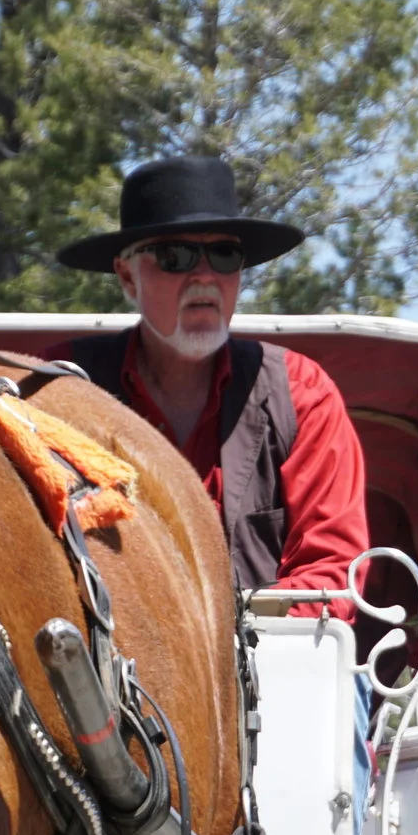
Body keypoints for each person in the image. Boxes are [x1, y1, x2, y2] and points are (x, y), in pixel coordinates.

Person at [55, 155, 370, 611]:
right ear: (127, 276)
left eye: (225, 254)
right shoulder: (64, 387)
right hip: (98, 669)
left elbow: (335, 578)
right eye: (175, 255)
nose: (204, 275)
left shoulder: (301, 395)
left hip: (273, 671)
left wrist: (222, 645)